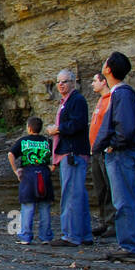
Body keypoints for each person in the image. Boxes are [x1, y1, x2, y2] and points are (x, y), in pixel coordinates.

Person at [93, 51, 135, 259]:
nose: (103, 64)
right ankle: (128, 244)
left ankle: (130, 247)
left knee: (124, 200)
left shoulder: (122, 94)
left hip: (121, 154)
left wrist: (113, 145)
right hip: (119, 152)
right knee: (122, 199)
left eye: (105, 62)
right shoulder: (119, 93)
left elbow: (126, 126)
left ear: (108, 69)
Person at [47, 68, 93, 246]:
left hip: (73, 153)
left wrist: (57, 129)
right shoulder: (66, 101)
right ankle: (84, 235)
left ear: (73, 82)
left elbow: (78, 123)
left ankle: (71, 236)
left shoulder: (77, 100)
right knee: (78, 194)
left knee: (71, 194)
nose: (60, 84)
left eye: (64, 81)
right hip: (69, 152)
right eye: (58, 81)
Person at [8, 116, 54, 244]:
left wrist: (16, 170)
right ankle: (45, 236)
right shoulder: (47, 141)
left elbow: (11, 154)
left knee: (28, 205)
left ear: (29, 128)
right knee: (44, 206)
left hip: (28, 174)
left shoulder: (23, 141)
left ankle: (26, 236)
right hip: (44, 173)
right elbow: (56, 153)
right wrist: (53, 166)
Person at [88, 71, 116, 237]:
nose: (92, 84)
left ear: (103, 82)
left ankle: (114, 224)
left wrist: (110, 144)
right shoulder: (101, 100)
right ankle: (105, 221)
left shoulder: (112, 100)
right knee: (101, 188)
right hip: (95, 151)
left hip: (106, 150)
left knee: (111, 187)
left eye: (94, 80)